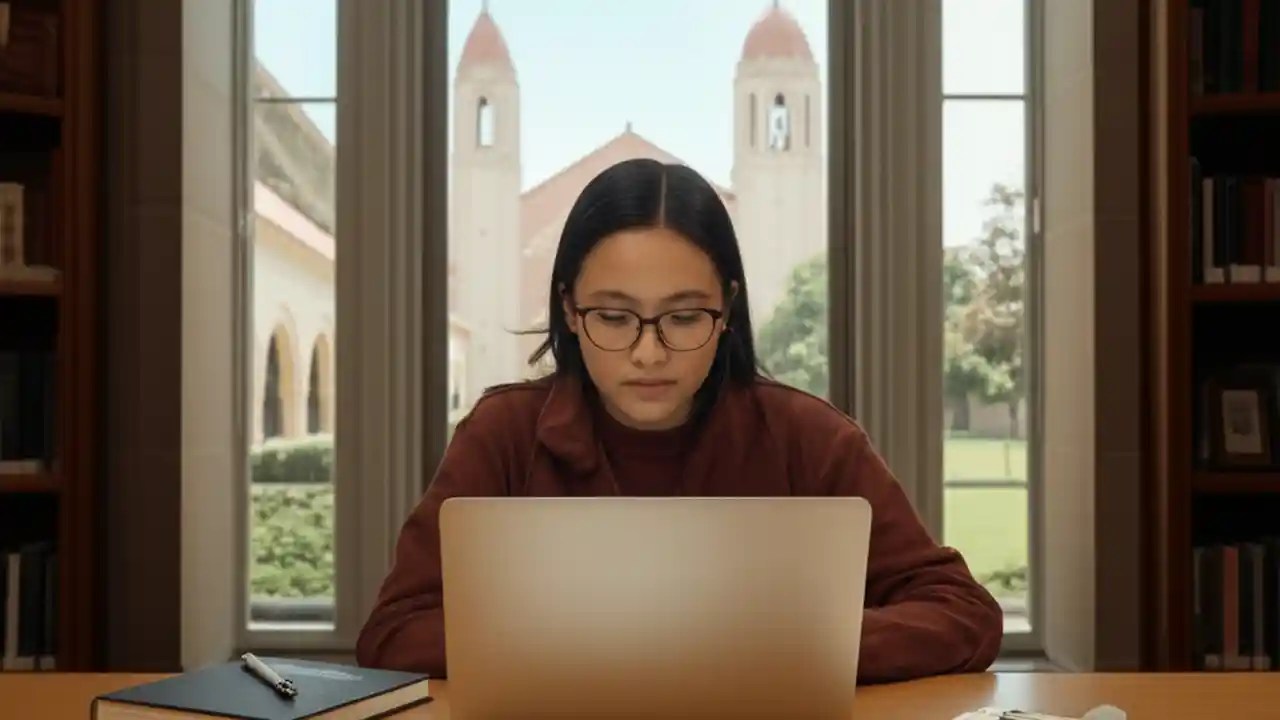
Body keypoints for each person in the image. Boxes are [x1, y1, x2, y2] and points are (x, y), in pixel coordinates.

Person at [356, 158, 1003, 683]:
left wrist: (787, 645)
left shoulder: (810, 439)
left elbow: (965, 614)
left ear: (727, 310)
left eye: (685, 317)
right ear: (570, 313)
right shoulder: (501, 436)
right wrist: (615, 642)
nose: (648, 352)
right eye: (613, 317)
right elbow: (394, 633)